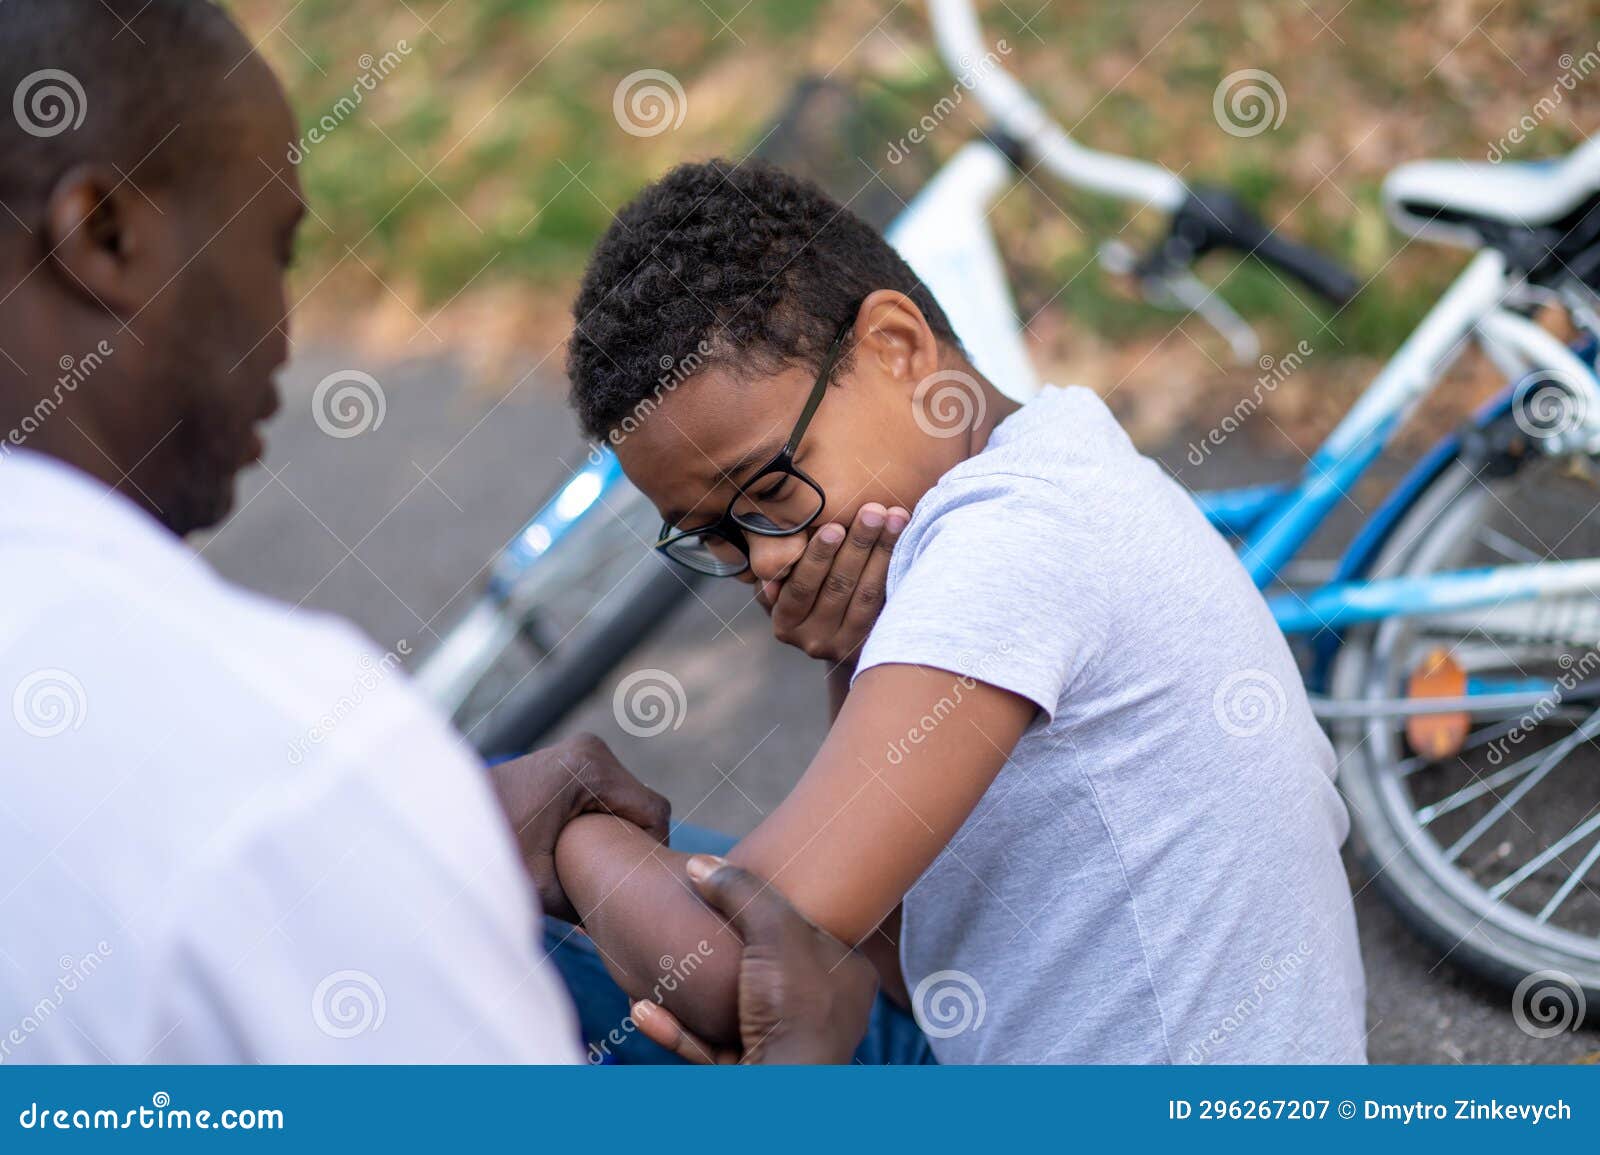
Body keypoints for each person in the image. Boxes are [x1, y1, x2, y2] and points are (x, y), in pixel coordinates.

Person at [0, 0, 875, 1065]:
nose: (284, 328)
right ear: (108, 236)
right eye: (273, 247)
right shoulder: (277, 750)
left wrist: (417, 820)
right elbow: (770, 967)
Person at [555, 159, 1370, 1064]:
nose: (766, 557)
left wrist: (565, 831)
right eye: (711, 536)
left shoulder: (1013, 543)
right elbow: (905, 963)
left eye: (766, 490)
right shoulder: (1055, 456)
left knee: (515, 917)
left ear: (898, 348)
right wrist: (849, 658)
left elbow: (730, 977)